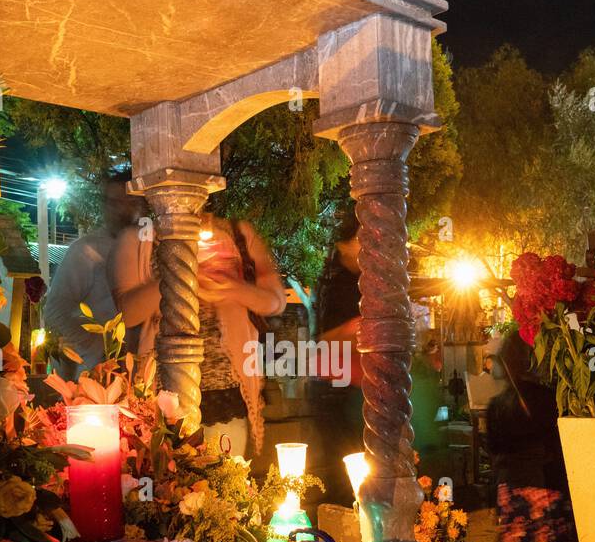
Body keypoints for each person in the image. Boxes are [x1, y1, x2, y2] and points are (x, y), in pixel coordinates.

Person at [111, 209, 286, 456]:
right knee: (170, 487)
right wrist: (180, 274)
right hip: (163, 394)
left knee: (229, 484)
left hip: (226, 391)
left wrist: (232, 287)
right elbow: (127, 313)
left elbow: (275, 301)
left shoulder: (238, 233)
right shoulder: (138, 238)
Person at [488, 331, 578, 542]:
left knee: (520, 537)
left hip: (514, 479)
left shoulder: (497, 405)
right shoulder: (552, 398)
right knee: (555, 537)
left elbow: (493, 446)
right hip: (547, 476)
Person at [43, 169, 143, 377]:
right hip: (103, 371)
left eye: (130, 202)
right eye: (114, 202)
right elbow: (54, 310)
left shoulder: (150, 247)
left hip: (146, 364)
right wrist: (96, 345)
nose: (122, 210)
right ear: (104, 205)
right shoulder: (86, 250)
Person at [311, 208, 365, 504]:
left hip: (356, 389)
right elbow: (322, 340)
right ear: (344, 244)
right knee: (346, 470)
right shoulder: (335, 284)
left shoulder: (363, 281)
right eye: (361, 238)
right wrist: (358, 330)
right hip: (338, 391)